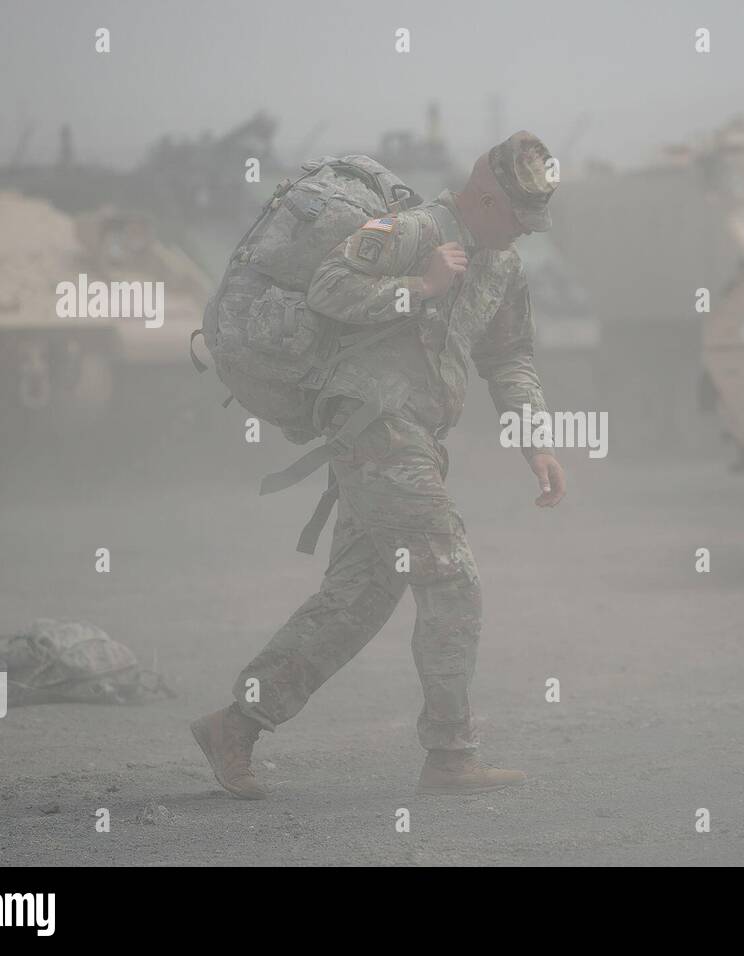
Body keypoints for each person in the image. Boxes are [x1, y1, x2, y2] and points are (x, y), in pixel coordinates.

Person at [191, 131, 567, 798]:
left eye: (533, 221)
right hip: (374, 425)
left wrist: (534, 439)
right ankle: (450, 755)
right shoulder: (412, 231)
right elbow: (329, 289)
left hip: (413, 435)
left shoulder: (503, 268)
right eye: (516, 217)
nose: (525, 232)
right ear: (483, 197)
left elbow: (510, 358)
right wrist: (419, 286)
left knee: (360, 596)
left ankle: (236, 726)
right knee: (452, 576)